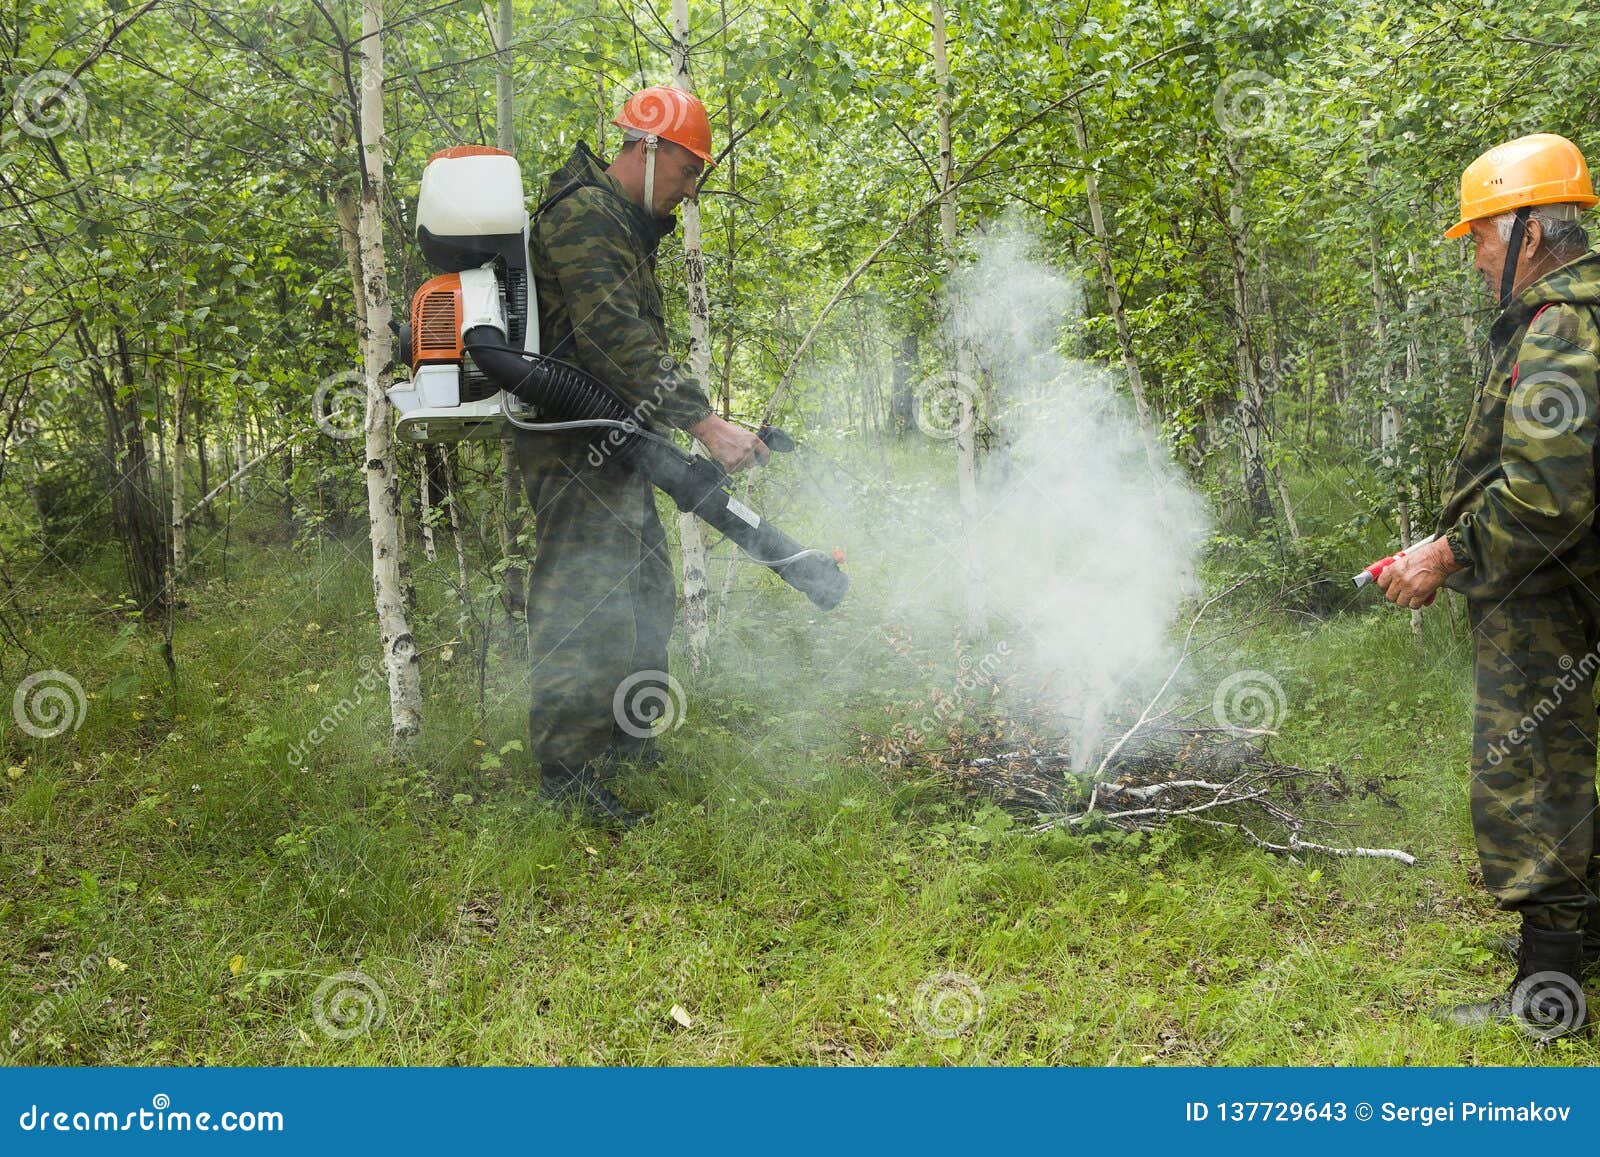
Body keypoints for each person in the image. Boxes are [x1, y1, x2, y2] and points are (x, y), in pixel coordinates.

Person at [1377, 133, 1600, 1035]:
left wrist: (1448, 556)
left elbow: (1549, 497)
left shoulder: (1562, 325)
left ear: (1527, 232)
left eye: (1477, 235)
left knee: (1533, 774)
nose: (1473, 256)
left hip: (1550, 592)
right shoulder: (1575, 312)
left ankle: (1550, 998)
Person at [517, 86, 768, 828]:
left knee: (647, 586)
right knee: (584, 599)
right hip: (569, 443)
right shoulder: (587, 216)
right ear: (649, 150)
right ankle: (566, 772)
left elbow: (630, 347)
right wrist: (704, 424)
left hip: (612, 435)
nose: (691, 193)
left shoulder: (621, 223)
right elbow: (611, 337)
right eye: (689, 173)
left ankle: (628, 738)